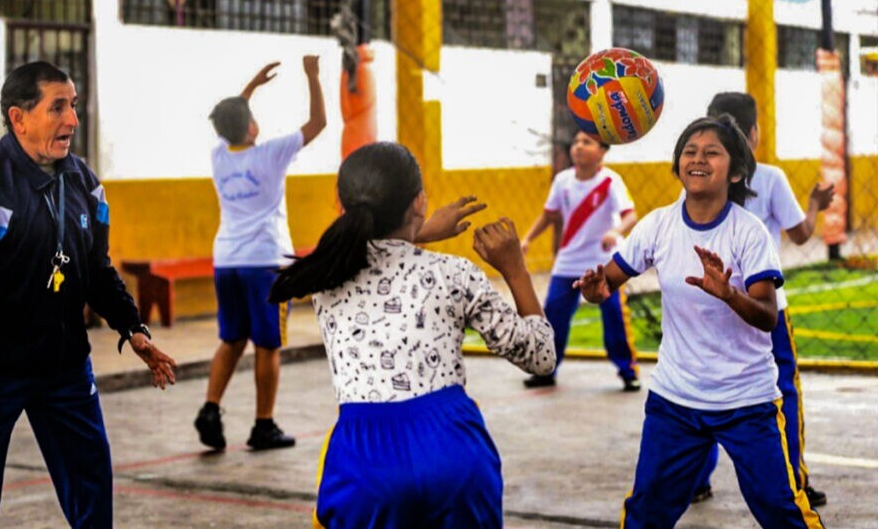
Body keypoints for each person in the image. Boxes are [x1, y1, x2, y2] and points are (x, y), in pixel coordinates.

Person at [0, 61, 178, 528]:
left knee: (92, 484)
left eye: (74, 107)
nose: (72, 121)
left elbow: (95, 270)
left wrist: (133, 327)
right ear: (19, 118)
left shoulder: (85, 184)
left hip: (65, 368)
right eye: (57, 107)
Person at [270, 142, 556, 529]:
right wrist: (516, 270)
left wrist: (416, 233)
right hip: (454, 453)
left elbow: (371, 252)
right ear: (420, 202)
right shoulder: (455, 274)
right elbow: (541, 358)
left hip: (364, 461)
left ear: (339, 203)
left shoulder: (325, 276)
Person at [575, 115, 824, 528]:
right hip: (676, 400)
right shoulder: (657, 226)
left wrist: (729, 294)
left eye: (712, 152)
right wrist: (595, 288)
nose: (698, 159)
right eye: (689, 151)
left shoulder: (750, 233)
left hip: (747, 401)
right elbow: (608, 283)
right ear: (677, 166)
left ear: (738, 170)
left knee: (781, 510)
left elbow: (766, 317)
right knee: (646, 512)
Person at [690, 92, 833, 507]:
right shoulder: (769, 177)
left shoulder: (698, 177)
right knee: (781, 391)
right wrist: (814, 205)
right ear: (753, 133)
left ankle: (695, 479)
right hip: (764, 305)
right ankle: (794, 480)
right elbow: (801, 234)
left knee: (699, 389)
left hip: (710, 305)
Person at [194, 57, 327, 451]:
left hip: (227, 261)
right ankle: (263, 424)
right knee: (268, 344)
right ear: (252, 126)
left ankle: (210, 408)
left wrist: (250, 86)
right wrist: (313, 76)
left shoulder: (220, 156)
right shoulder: (271, 153)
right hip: (265, 262)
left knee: (232, 339)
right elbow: (317, 124)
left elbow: (230, 116)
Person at [519, 130, 640, 390]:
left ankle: (627, 370)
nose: (578, 147)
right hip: (568, 261)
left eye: (587, 142)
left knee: (614, 315)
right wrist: (527, 238)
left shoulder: (610, 181)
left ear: (602, 151)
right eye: (576, 142)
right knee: (553, 313)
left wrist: (615, 232)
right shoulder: (562, 181)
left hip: (603, 263)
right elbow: (548, 216)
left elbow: (630, 216)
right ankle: (546, 369)